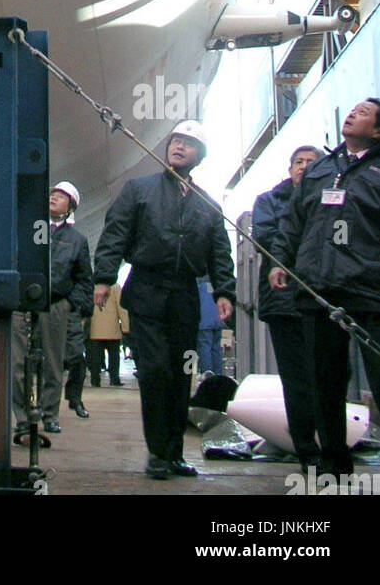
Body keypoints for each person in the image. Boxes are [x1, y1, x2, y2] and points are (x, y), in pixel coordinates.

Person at [93, 121, 234, 480]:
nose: (179, 147)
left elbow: (220, 253)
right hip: (147, 291)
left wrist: (224, 292)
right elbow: (115, 233)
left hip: (185, 295)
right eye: (175, 141)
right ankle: (157, 453)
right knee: (155, 372)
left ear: (199, 156)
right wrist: (104, 278)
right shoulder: (139, 190)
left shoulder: (208, 205)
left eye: (188, 144)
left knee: (180, 375)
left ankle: (173, 454)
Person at [268, 100, 380, 478]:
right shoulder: (320, 168)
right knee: (325, 384)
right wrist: (280, 262)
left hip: (370, 292)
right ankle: (335, 464)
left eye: (363, 112)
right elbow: (293, 220)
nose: (351, 114)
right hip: (318, 291)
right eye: (351, 110)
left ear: (378, 130)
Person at [251, 146, 322, 468]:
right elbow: (266, 238)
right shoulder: (269, 201)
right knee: (295, 377)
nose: (304, 167)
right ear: (289, 167)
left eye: (311, 163)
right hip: (283, 301)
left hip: (323, 301)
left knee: (326, 375)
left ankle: (330, 444)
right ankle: (306, 448)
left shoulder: (331, 200)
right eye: (298, 162)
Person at [12, 180, 93, 437]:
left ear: (71, 207)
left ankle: (49, 414)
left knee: (53, 363)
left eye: (61, 195)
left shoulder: (77, 240)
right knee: (17, 362)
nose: (54, 197)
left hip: (56, 304)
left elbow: (84, 278)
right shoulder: (29, 229)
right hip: (22, 302)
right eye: (53, 193)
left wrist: (71, 304)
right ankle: (22, 416)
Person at [86, 283, 126, 386]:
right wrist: (126, 326)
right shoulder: (115, 286)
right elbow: (121, 306)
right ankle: (114, 379)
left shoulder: (91, 286)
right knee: (114, 356)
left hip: (95, 328)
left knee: (95, 357)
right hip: (112, 327)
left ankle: (95, 380)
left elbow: (86, 306)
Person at [196, 277, 223, 376]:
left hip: (204, 320)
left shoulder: (199, 282)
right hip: (218, 319)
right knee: (217, 349)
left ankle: (207, 376)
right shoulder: (217, 281)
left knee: (205, 348)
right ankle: (218, 375)